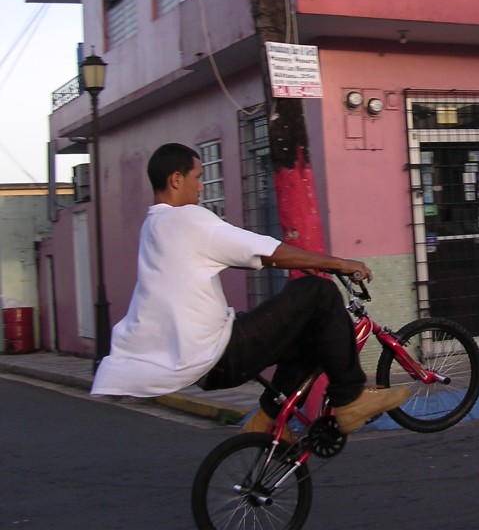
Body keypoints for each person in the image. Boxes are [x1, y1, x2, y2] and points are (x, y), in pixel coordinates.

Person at [91, 142, 409, 435]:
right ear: (176, 179)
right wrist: (336, 263)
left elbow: (239, 255)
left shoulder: (154, 225)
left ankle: (266, 422)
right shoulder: (186, 219)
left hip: (202, 362)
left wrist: (294, 261)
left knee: (307, 334)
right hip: (221, 350)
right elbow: (260, 249)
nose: (201, 186)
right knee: (319, 292)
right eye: (197, 177)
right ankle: (350, 398)